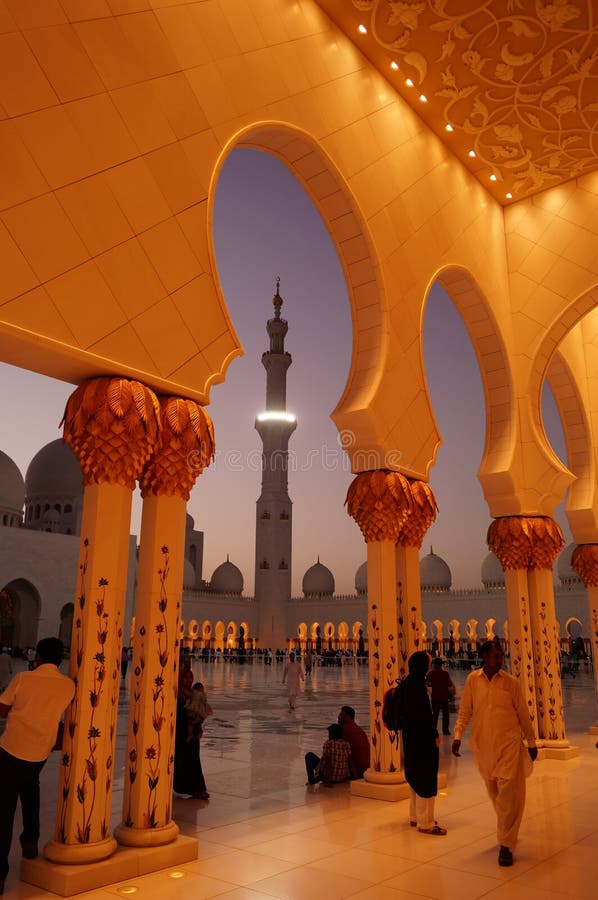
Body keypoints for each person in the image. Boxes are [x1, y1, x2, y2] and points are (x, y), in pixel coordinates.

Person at [452, 640, 537, 867]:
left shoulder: (511, 683)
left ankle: (506, 845)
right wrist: (458, 735)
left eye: (501, 656)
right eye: (496, 656)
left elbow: (522, 713)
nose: (500, 660)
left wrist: (531, 741)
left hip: (510, 745)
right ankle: (506, 831)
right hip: (485, 747)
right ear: (484, 657)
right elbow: (465, 711)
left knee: (509, 794)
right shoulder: (473, 681)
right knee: (497, 796)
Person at [0, 637, 74, 895]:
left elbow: (2, 708)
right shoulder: (68, 686)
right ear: (60, 659)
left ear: (38, 657)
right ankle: (30, 842)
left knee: (5, 809)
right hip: (39, 752)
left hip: (11, 749)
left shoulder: (24, 679)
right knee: (30, 789)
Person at [402, 650, 446, 835]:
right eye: (427, 663)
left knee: (414, 777)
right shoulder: (418, 687)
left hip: (410, 738)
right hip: (423, 740)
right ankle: (426, 823)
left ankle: (414, 817)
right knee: (426, 779)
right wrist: (434, 734)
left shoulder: (406, 683)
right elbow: (425, 716)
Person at [173, 668, 209, 800]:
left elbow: (201, 708)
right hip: (181, 731)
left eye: (191, 677)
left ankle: (199, 789)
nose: (189, 680)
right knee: (181, 760)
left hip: (193, 732)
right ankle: (183, 786)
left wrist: (198, 722)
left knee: (194, 761)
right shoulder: (178, 693)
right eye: (186, 677)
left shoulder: (194, 693)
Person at [338, 705, 370, 778]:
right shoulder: (358, 729)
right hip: (367, 768)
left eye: (341, 714)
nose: (339, 716)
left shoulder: (344, 729)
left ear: (348, 717)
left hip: (357, 770)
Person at [426, 658, 455, 735]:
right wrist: (452, 695)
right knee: (445, 715)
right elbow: (449, 685)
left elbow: (427, 683)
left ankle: (433, 731)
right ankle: (445, 730)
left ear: (435, 664)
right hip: (444, 697)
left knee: (435, 715)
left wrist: (433, 684)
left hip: (435, 697)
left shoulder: (431, 674)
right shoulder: (445, 674)